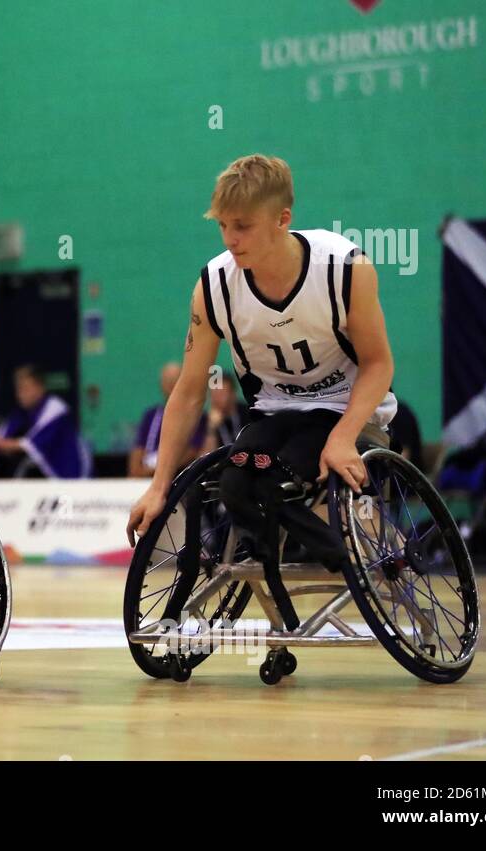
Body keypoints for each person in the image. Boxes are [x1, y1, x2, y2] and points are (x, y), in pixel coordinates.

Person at [126, 154, 396, 611]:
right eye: (223, 226)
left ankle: (341, 555)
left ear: (282, 219)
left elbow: (378, 364)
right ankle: (287, 576)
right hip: (274, 409)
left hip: (346, 407)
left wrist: (345, 438)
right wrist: (159, 487)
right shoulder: (213, 285)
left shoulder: (345, 267)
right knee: (237, 481)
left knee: (273, 477)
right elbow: (190, 390)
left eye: (243, 226)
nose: (231, 239)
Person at [0, 365, 90, 478]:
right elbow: (2, 439)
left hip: (72, 477)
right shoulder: (19, 413)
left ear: (40, 387)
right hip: (39, 480)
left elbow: (29, 445)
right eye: (18, 389)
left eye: (25, 388)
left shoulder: (56, 408)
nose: (20, 394)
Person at [127, 362, 208, 477]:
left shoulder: (196, 415)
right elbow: (139, 447)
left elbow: (192, 451)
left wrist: (158, 472)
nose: (171, 384)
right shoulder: (150, 414)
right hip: (148, 472)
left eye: (175, 379)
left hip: (177, 476)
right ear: (161, 384)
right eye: (167, 380)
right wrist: (136, 472)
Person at [205, 370, 249, 451]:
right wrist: (211, 429)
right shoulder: (205, 421)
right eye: (214, 395)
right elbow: (205, 456)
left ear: (233, 394)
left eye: (221, 394)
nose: (216, 399)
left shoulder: (249, 413)